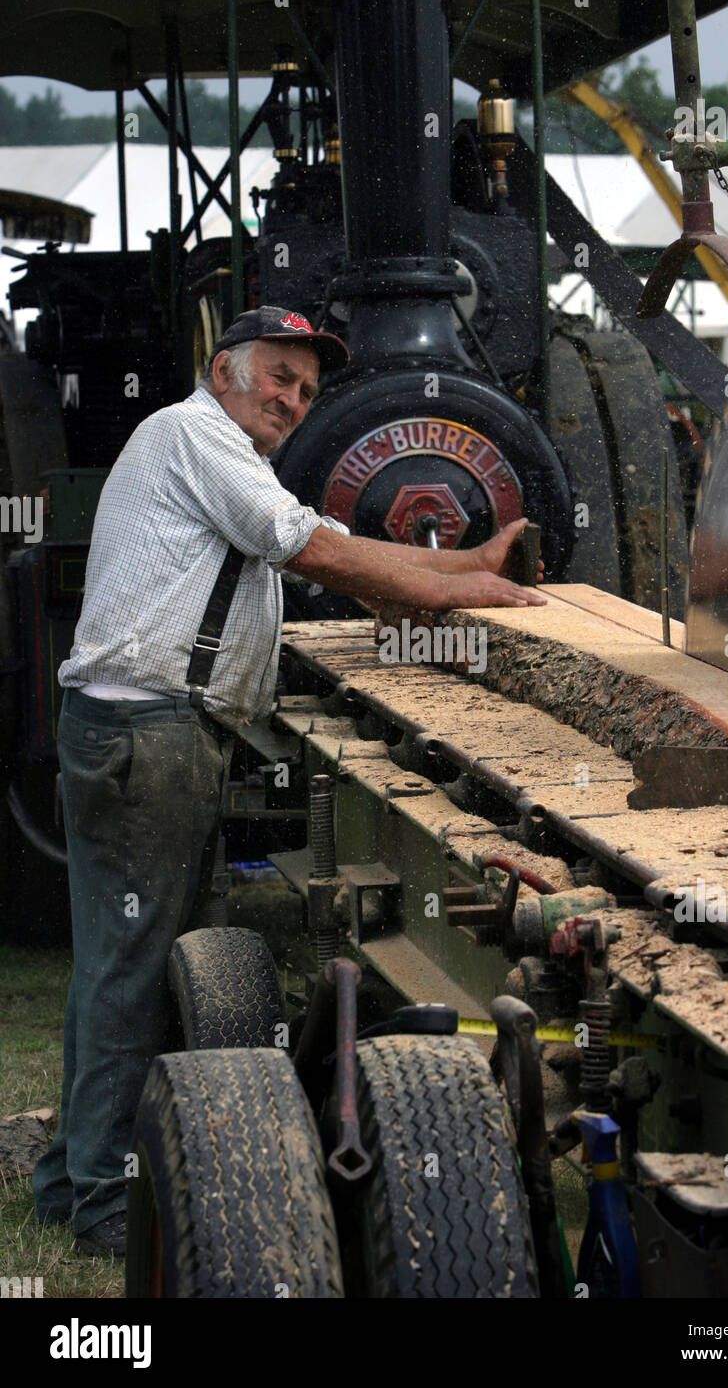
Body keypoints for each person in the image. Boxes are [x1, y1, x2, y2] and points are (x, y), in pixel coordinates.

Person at [32, 305, 545, 1256]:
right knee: (134, 966)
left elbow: (330, 564)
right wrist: (459, 582)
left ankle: (73, 1173)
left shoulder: (231, 460)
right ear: (224, 368)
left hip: (154, 729)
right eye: (277, 375)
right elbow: (313, 548)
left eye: (306, 391)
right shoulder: (191, 434)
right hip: (149, 732)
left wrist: (451, 573)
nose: (292, 399)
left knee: (121, 959)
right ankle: (104, 1195)